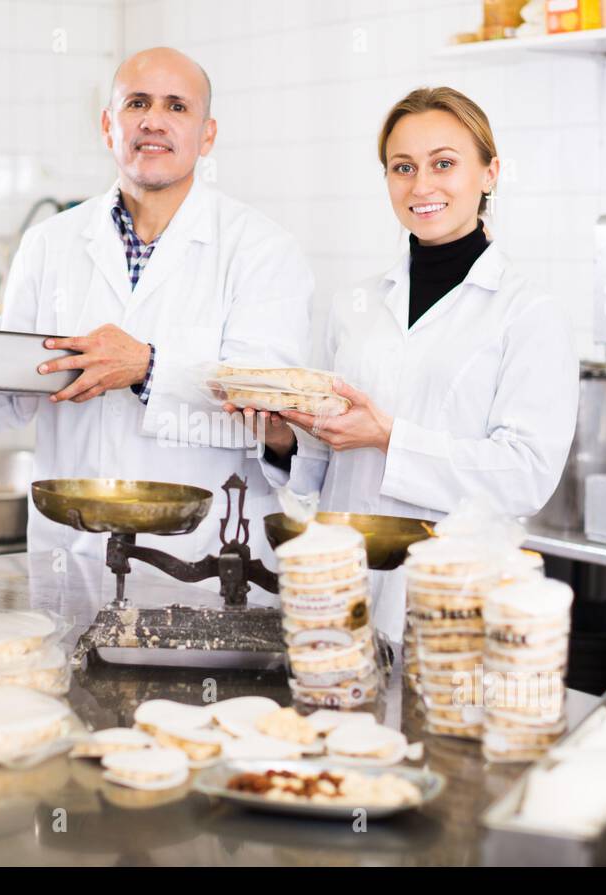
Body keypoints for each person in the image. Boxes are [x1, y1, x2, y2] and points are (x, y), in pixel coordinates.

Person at [0, 48, 314, 567]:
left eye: (177, 107)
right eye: (136, 103)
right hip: (73, 558)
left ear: (207, 134)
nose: (153, 121)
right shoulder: (49, 242)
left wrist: (148, 368)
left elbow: (270, 408)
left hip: (204, 561)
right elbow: (19, 383)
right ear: (107, 125)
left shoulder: (262, 250)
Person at [236, 87, 577, 636]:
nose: (421, 186)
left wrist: (387, 436)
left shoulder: (530, 314)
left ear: (490, 173)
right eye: (403, 167)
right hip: (342, 586)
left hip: (452, 598)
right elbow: (322, 466)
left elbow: (525, 477)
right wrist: (284, 437)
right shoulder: (356, 306)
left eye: (444, 163)